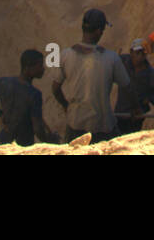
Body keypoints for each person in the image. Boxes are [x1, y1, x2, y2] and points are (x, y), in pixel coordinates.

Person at [53, 8, 130, 142]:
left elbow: (55, 88)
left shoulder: (65, 55)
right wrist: (136, 109)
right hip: (103, 126)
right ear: (99, 31)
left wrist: (67, 106)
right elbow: (127, 87)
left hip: (75, 125)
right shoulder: (112, 58)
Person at [0, 49, 58, 146]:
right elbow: (38, 129)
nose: (43, 69)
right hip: (22, 145)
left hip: (3, 142)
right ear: (28, 67)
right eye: (40, 66)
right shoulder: (34, 94)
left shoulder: (4, 82)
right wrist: (50, 142)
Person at [114, 38, 154, 134]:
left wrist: (151, 99)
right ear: (131, 52)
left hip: (136, 118)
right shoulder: (124, 61)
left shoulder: (150, 73)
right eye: (138, 52)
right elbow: (110, 62)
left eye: (144, 53)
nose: (141, 56)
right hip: (120, 113)